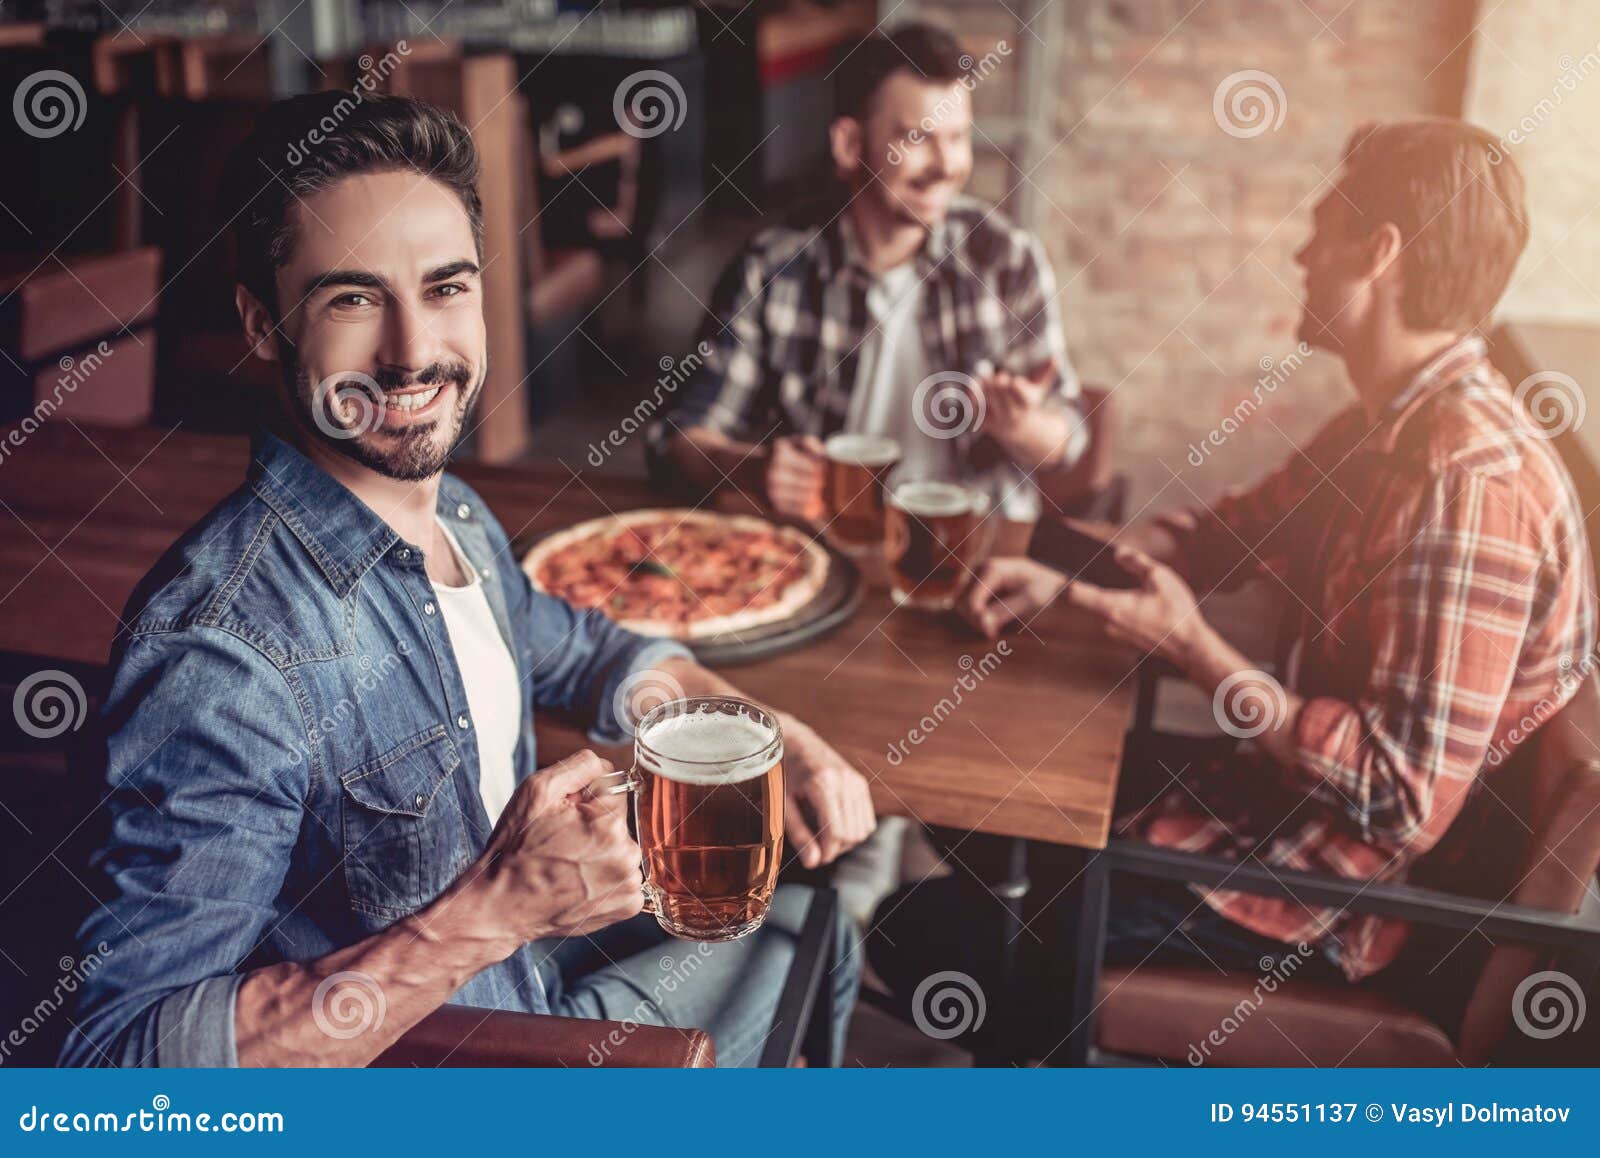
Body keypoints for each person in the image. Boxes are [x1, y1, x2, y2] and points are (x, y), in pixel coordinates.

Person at [59, 93, 874, 1068]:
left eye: (445, 288)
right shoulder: (222, 654)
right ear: (264, 324)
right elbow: (115, 1073)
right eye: (352, 299)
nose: (412, 353)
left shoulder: (455, 518)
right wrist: (493, 912)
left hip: (528, 974)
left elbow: (590, 649)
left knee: (813, 922)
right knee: (810, 947)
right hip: (466, 1062)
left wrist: (768, 730)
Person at [875, 118, 1597, 1044]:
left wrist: (1190, 647)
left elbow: (1401, 802)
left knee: (929, 928)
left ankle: (1046, 1076)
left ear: (1380, 254)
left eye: (1324, 226)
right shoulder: (1388, 423)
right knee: (972, 794)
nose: (1302, 251)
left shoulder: (1468, 486)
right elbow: (1218, 541)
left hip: (1347, 905)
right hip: (1279, 812)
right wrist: (1071, 577)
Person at [648, 21, 1090, 526]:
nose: (946, 164)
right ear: (849, 144)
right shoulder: (771, 269)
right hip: (822, 552)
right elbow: (679, 438)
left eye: (958, 137)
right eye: (919, 138)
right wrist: (751, 469)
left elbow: (1069, 438)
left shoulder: (1008, 257)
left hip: (975, 552)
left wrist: (1021, 424)